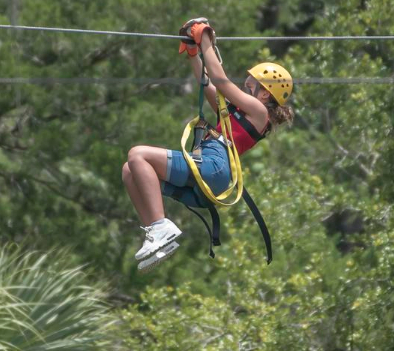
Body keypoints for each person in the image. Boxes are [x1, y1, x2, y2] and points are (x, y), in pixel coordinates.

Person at [121, 17, 294, 270]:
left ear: (265, 93)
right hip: (210, 176)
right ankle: (157, 237)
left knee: (138, 154)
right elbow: (207, 83)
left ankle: (161, 227)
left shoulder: (259, 112)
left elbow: (219, 77)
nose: (245, 90)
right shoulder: (232, 113)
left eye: (250, 87)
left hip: (214, 166)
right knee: (130, 170)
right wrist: (193, 52)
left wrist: (205, 40)